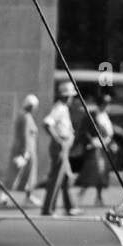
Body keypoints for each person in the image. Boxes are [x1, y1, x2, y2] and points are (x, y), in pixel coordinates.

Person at [40, 80, 82, 216]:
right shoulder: (59, 108)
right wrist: (57, 139)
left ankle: (70, 206)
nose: (72, 99)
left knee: (66, 178)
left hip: (64, 147)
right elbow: (47, 123)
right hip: (60, 147)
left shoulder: (63, 108)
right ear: (66, 96)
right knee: (56, 179)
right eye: (71, 96)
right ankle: (48, 209)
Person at [76, 93, 115, 207]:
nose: (107, 106)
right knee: (93, 170)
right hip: (95, 146)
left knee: (102, 173)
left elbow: (109, 132)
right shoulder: (92, 115)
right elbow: (85, 130)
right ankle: (80, 195)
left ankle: (98, 197)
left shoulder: (105, 115)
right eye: (106, 103)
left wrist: (110, 142)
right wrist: (91, 141)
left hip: (104, 146)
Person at [3, 94, 40, 206]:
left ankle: (28, 195)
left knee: (28, 174)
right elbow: (24, 135)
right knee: (15, 173)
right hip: (25, 150)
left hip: (27, 149)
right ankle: (5, 195)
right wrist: (25, 151)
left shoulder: (25, 115)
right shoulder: (24, 116)